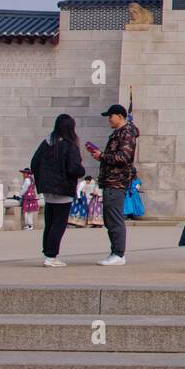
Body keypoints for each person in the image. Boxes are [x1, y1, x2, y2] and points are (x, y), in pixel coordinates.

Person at [29, 113, 87, 267]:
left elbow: (34, 163)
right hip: (63, 189)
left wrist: (44, 178)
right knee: (58, 224)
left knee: (50, 222)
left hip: (48, 190)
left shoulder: (47, 143)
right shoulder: (70, 145)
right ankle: (51, 256)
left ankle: (48, 252)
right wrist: (82, 171)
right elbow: (74, 168)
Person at [87, 104, 138, 266]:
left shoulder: (126, 133)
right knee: (110, 219)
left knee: (114, 219)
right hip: (110, 180)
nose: (109, 119)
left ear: (120, 116)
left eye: (111, 116)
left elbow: (124, 157)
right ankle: (115, 252)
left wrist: (103, 156)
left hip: (117, 181)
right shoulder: (118, 133)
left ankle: (118, 253)